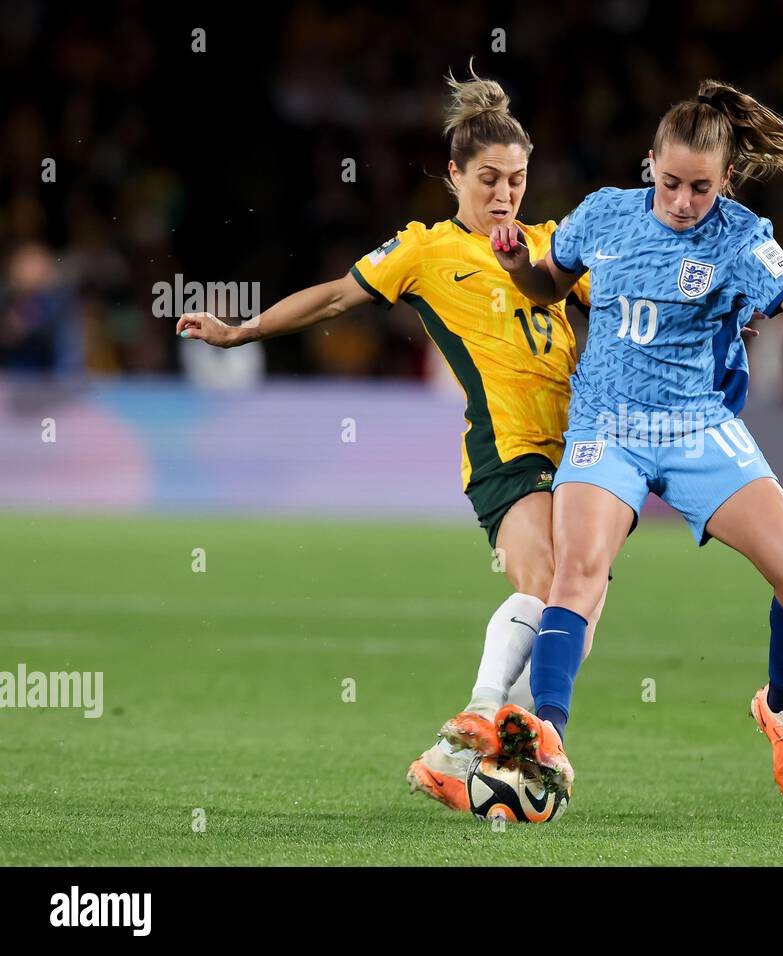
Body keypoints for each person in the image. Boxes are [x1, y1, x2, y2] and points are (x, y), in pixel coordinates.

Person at [176, 67, 607, 811]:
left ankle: (452, 757)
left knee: (574, 614)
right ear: (453, 175)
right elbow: (338, 294)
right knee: (547, 590)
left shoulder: (552, 250)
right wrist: (243, 330)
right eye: (489, 179)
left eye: (517, 179)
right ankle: (480, 713)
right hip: (508, 453)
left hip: (583, 455)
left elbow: (639, 302)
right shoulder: (426, 251)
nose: (505, 194)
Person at [488, 81, 783, 807]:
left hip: (697, 428)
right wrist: (519, 261)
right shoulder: (606, 214)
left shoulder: (741, 238)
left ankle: (780, 706)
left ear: (726, 181)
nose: (682, 201)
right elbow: (548, 285)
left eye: (700, 188)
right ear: (650, 165)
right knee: (576, 573)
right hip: (607, 425)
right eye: (671, 182)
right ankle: (544, 737)